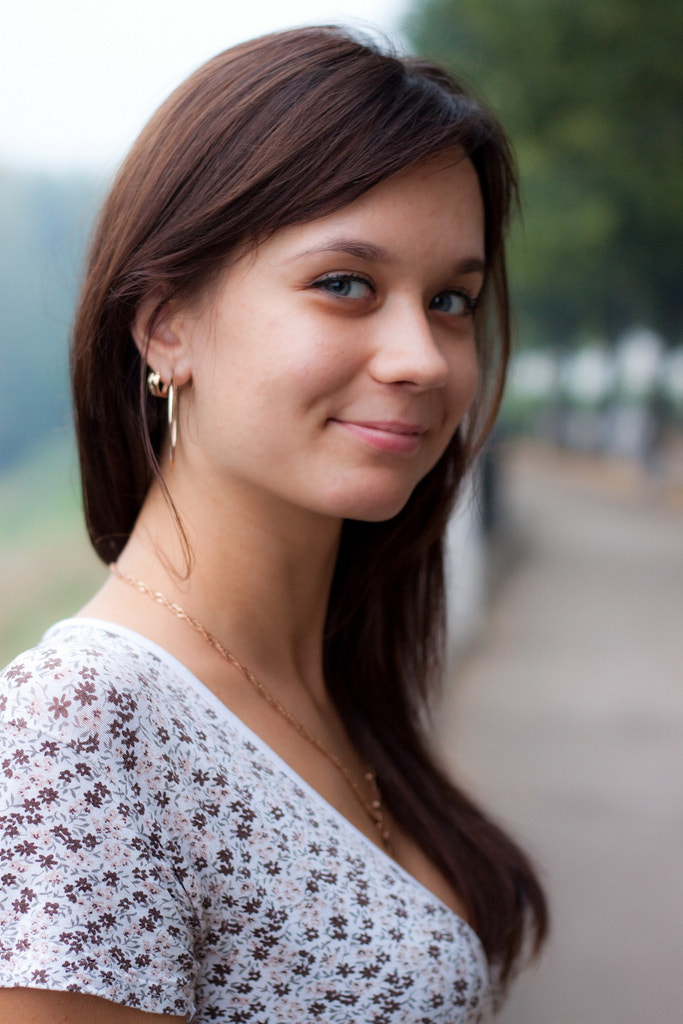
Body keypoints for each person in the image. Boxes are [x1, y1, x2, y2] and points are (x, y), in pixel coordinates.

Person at [0, 26, 547, 1023]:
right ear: (166, 321)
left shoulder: (337, 670)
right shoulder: (82, 722)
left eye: (451, 299)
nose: (420, 357)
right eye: (345, 284)